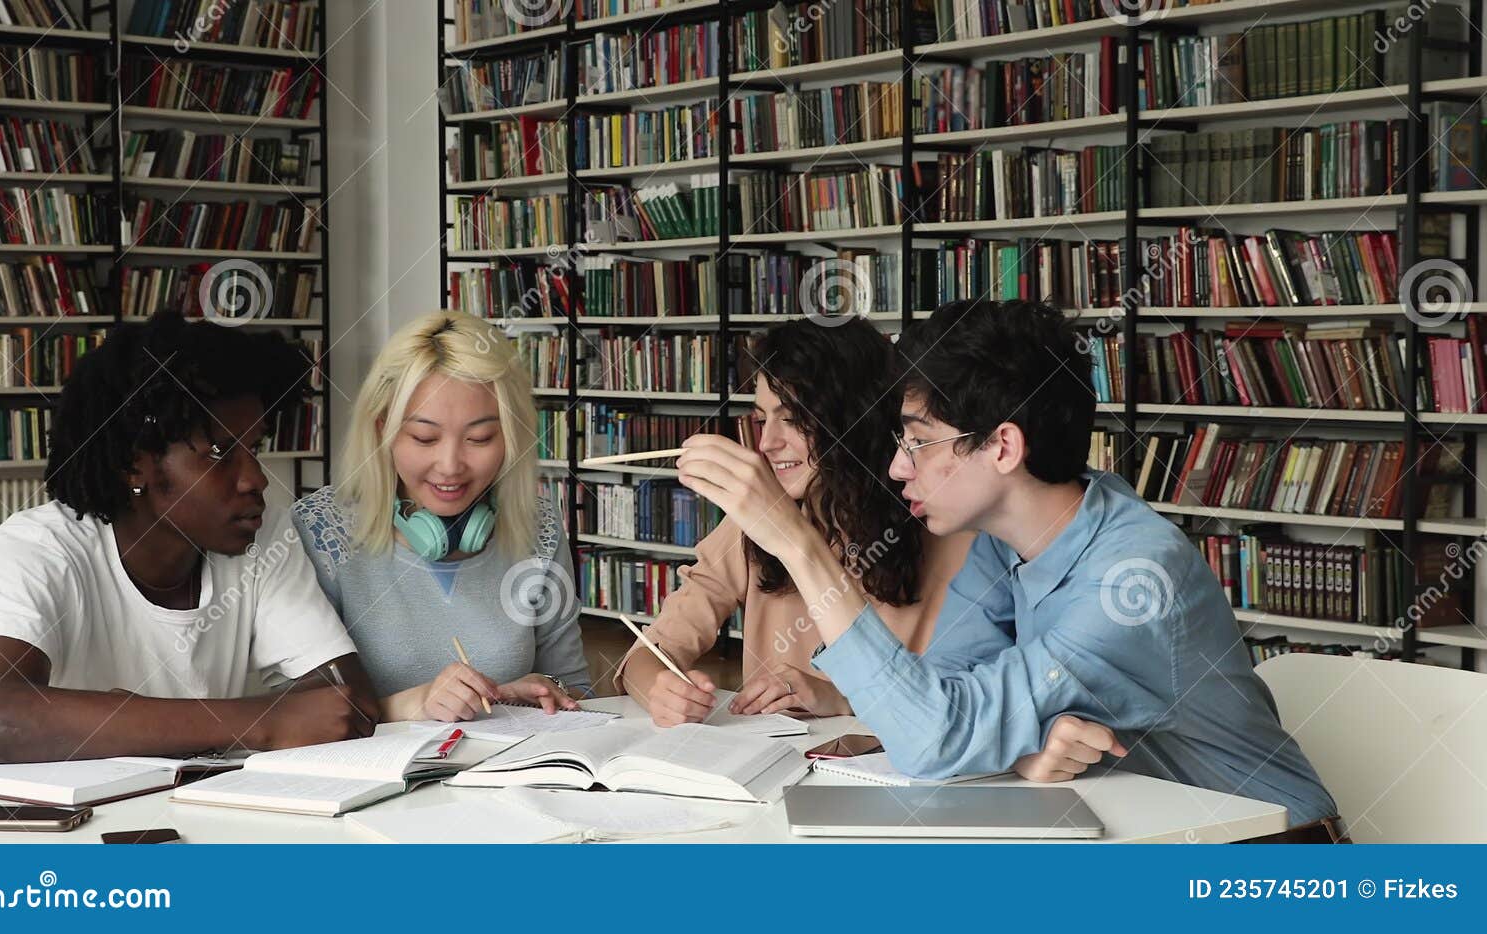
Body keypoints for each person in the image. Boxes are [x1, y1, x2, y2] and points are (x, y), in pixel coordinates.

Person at [675, 299, 1340, 835]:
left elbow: (932, 736)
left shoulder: (1133, 580)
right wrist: (1023, 745)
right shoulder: (1005, 541)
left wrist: (799, 544)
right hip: (1133, 825)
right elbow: (935, 698)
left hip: (1270, 852)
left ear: (1003, 446)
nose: (897, 466)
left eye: (917, 442)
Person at [0, 310, 379, 765]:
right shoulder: (35, 549)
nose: (255, 479)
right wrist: (263, 722)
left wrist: (135, 717)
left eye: (253, 449)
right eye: (220, 452)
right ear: (137, 464)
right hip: (30, 827)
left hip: (186, 816)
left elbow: (343, 698)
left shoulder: (265, 535)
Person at [619, 319, 971, 724]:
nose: (767, 442)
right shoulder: (751, 523)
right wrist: (661, 689)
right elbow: (651, 650)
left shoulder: (944, 528)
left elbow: (960, 705)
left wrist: (841, 698)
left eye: (791, 418)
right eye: (760, 419)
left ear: (854, 419)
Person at [292, 310, 590, 723]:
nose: (450, 466)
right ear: (383, 430)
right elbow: (293, 716)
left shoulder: (538, 524)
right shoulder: (321, 530)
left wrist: (539, 692)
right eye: (424, 438)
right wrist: (413, 705)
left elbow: (576, 689)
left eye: (479, 438)